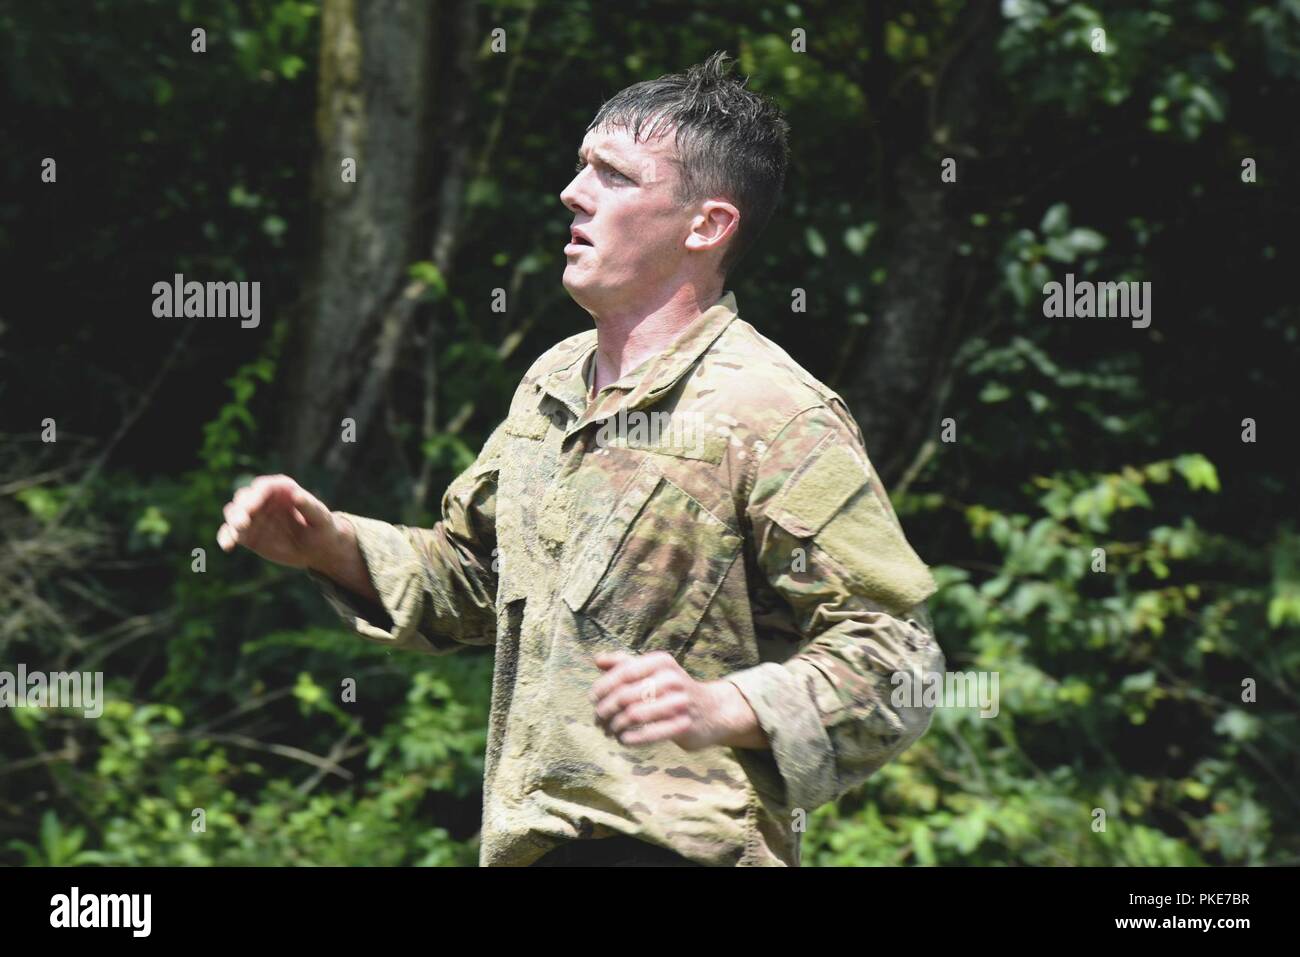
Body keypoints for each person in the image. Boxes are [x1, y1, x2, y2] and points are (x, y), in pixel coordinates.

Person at [216, 51, 945, 867]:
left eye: (614, 174)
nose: (573, 190)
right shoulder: (551, 383)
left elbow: (895, 657)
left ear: (707, 225)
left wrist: (725, 705)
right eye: (579, 165)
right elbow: (474, 579)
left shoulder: (769, 409)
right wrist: (331, 544)